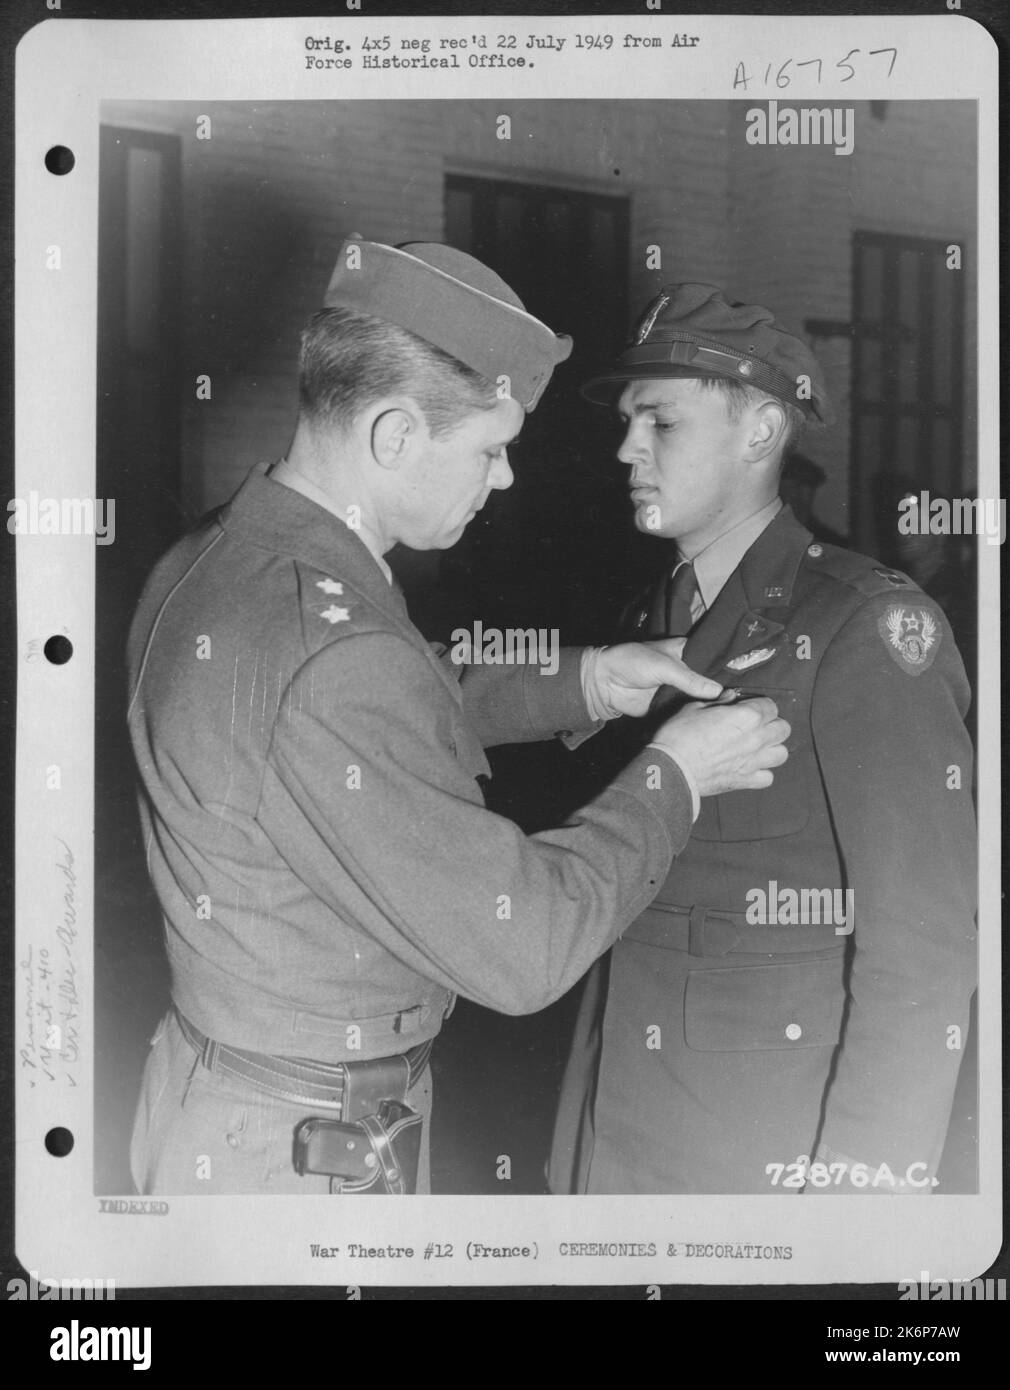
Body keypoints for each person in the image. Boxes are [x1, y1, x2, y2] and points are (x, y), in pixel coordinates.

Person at [126, 244, 790, 1196]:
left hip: (219, 1099)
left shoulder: (222, 560)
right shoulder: (334, 650)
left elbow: (382, 699)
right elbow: (526, 949)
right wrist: (675, 774)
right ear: (394, 435)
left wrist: (592, 680)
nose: (507, 477)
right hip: (301, 1157)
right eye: (491, 446)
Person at [550, 283, 977, 1195]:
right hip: (614, 1140)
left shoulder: (867, 627)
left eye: (659, 421)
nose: (627, 448)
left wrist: (864, 1194)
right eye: (628, 422)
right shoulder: (649, 617)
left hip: (758, 1167)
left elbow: (926, 948)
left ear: (760, 433)